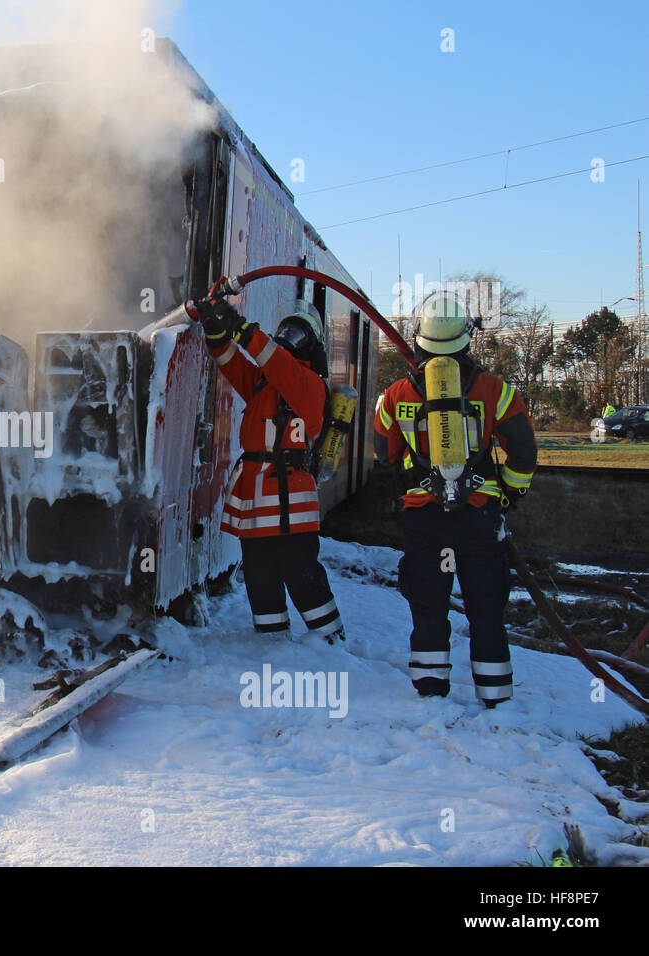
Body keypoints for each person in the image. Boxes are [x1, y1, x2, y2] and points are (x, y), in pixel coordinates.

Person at [373, 291, 537, 707]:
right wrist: (510, 493)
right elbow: (524, 451)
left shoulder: (393, 397)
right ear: (467, 338)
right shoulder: (496, 391)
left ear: (419, 339)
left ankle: (430, 693)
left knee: (429, 606)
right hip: (478, 518)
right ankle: (496, 698)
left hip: (424, 520)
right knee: (485, 607)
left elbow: (384, 455)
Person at [188, 293, 346, 644]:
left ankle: (331, 640)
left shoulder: (309, 384)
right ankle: (271, 641)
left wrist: (242, 328)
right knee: (259, 572)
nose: (289, 336)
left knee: (300, 571)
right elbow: (229, 361)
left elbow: (273, 360)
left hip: (290, 496)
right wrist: (216, 329)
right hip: (257, 495)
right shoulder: (266, 380)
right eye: (287, 329)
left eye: (298, 332)